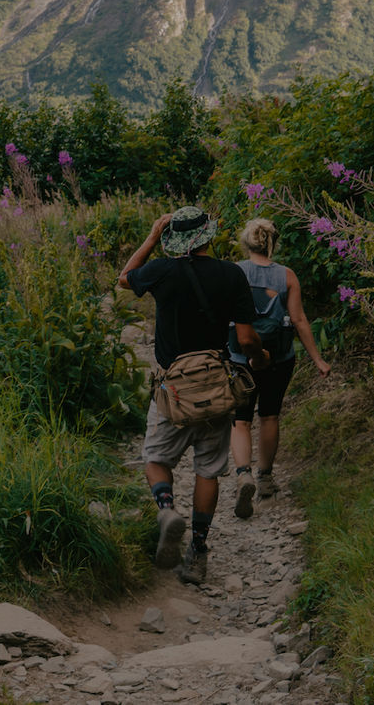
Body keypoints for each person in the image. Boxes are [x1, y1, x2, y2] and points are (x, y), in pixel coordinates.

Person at [119, 205, 259, 585]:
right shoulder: (231, 274)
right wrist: (258, 357)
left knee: (155, 458)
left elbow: (124, 279)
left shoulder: (163, 271)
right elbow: (245, 339)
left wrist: (151, 237)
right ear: (208, 236)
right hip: (215, 386)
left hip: (174, 389)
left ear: (174, 241)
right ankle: (198, 551)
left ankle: (166, 510)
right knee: (208, 471)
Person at [226, 218, 331, 519]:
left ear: (246, 243)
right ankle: (266, 479)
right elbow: (298, 320)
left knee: (241, 420)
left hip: (238, 355)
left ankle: (243, 473)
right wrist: (318, 360)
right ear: (273, 243)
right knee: (270, 414)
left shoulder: (234, 272)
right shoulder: (286, 276)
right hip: (280, 356)